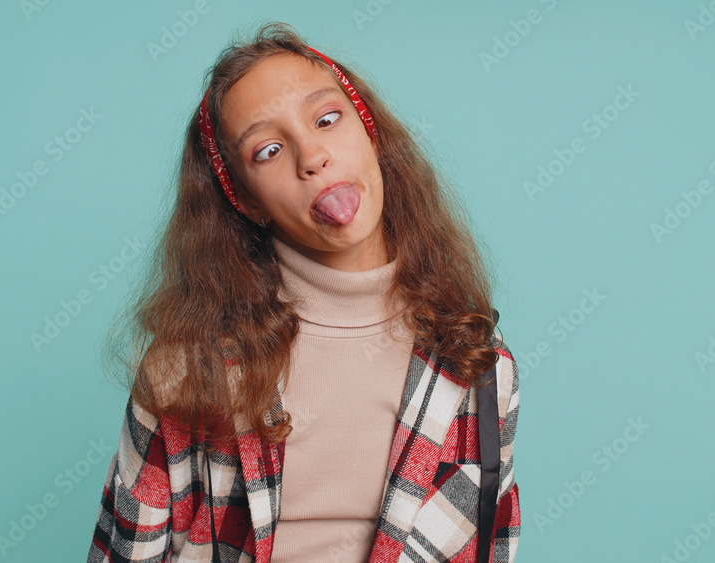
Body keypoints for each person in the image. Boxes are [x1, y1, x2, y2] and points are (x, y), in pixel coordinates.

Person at [86, 20, 520, 563]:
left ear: (370, 132)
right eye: (267, 150)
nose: (311, 157)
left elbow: (490, 545)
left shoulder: (478, 365)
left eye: (327, 119)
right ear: (245, 201)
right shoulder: (186, 369)